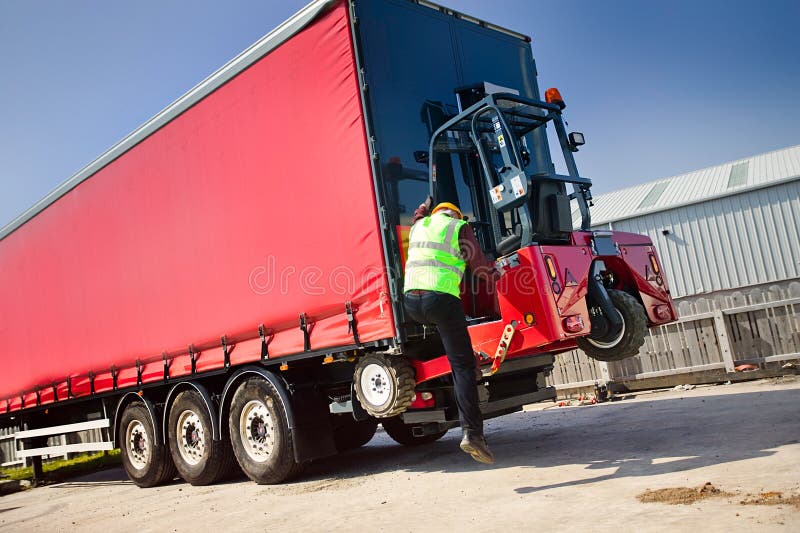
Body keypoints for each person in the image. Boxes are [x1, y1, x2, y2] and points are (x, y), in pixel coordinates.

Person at [403, 198, 499, 464]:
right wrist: (499, 273)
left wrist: (423, 204)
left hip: (411, 303)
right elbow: (480, 268)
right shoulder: (459, 228)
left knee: (452, 345)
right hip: (441, 299)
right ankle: (472, 434)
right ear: (456, 215)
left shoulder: (419, 226)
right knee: (462, 367)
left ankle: (460, 358)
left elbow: (417, 214)